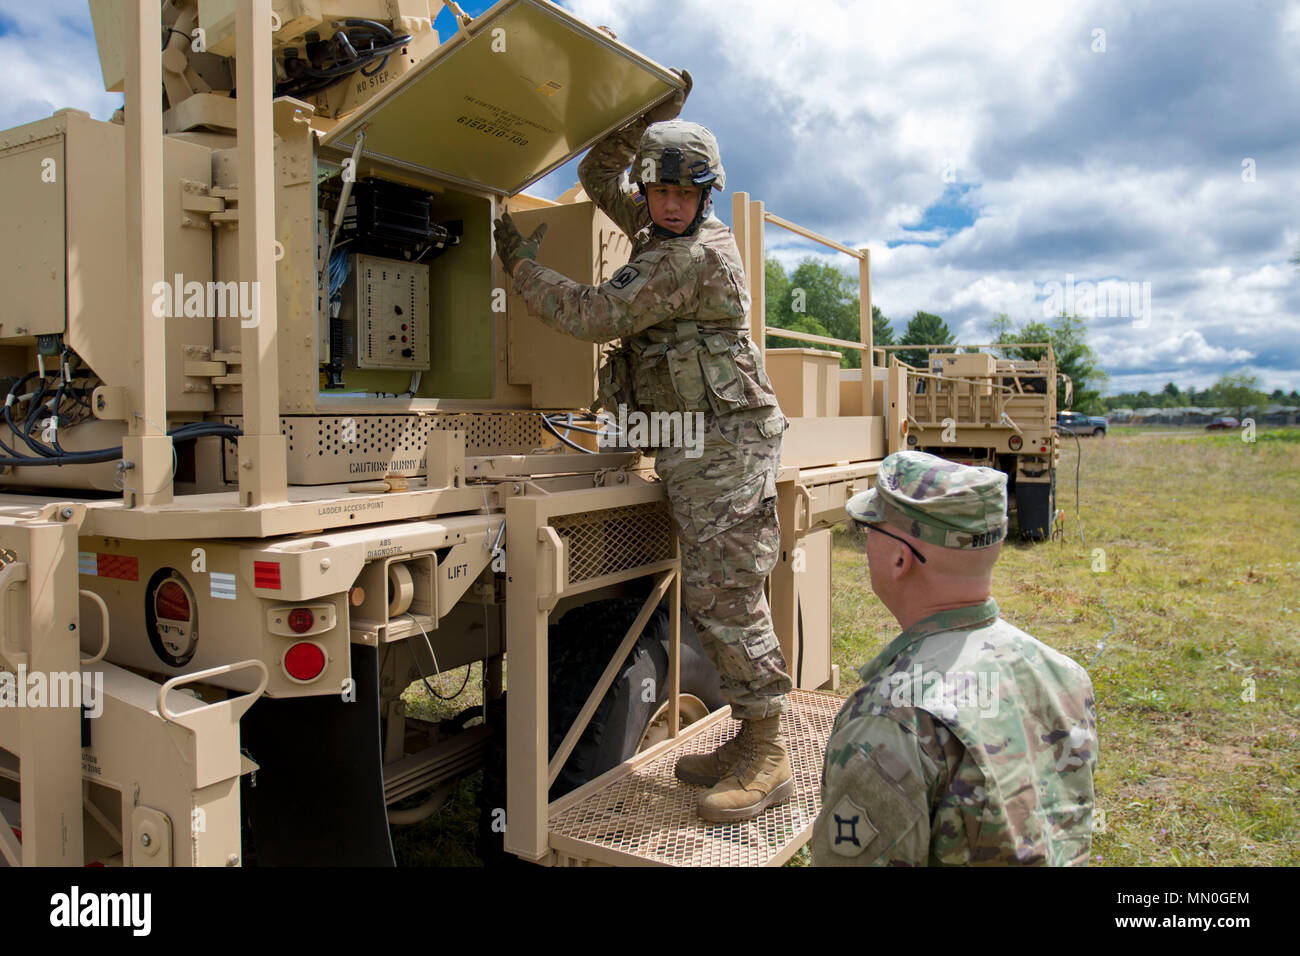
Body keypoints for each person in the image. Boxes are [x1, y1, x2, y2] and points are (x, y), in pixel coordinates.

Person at [494, 75, 794, 822]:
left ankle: (768, 754)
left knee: (728, 598)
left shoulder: (683, 258)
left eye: (684, 195)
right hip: (690, 443)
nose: (668, 204)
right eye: (659, 190)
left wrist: (519, 266)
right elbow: (598, 175)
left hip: (723, 449)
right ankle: (745, 741)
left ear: (706, 197)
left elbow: (595, 315)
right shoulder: (660, 231)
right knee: (716, 594)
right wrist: (646, 118)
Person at [812, 451, 1098, 865]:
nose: (865, 540)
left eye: (869, 527)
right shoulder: (1066, 676)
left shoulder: (890, 722)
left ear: (900, 559)